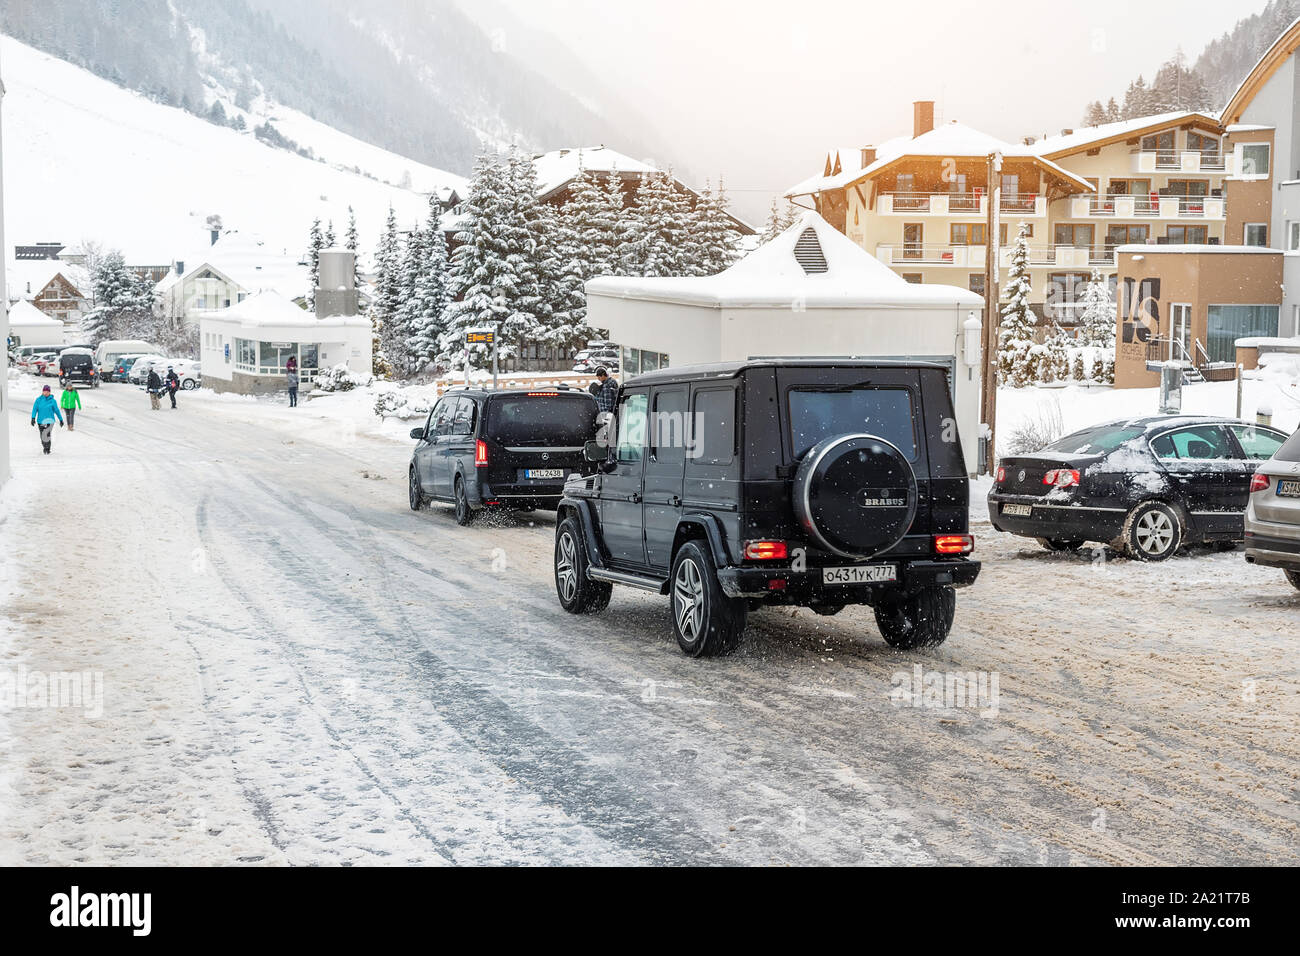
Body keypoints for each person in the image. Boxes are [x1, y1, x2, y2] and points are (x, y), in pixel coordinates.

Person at [30, 384, 64, 454]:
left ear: (49, 392)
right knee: (42, 436)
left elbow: (57, 411)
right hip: (40, 421)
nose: (46, 393)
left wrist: (61, 419)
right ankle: (45, 446)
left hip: (50, 421)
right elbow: (34, 409)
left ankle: (47, 448)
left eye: (47, 391)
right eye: (44, 391)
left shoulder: (53, 401)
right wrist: (33, 418)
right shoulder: (38, 400)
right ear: (42, 392)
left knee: (47, 434)